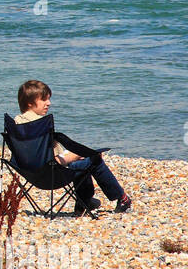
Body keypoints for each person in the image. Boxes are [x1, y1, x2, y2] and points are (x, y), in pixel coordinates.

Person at [13, 80, 131, 214]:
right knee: (93, 159)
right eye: (44, 100)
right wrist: (75, 155)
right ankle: (122, 198)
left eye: (49, 99)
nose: (49, 103)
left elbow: (38, 156)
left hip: (31, 174)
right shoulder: (39, 126)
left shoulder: (17, 123)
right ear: (30, 102)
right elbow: (54, 162)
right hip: (50, 175)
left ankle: (84, 202)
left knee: (82, 161)